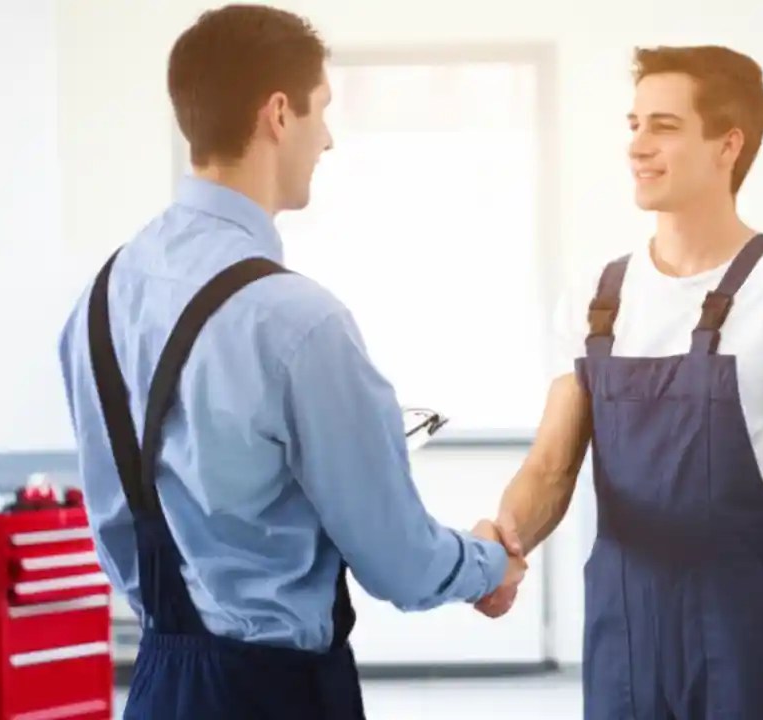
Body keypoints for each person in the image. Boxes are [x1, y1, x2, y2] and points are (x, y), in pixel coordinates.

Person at [56, 6, 524, 718]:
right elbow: (399, 563)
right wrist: (489, 560)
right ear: (279, 113)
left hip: (156, 688)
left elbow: (119, 531)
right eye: (322, 111)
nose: (328, 138)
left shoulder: (98, 300)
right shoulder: (298, 324)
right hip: (276, 697)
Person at [483, 45, 763, 719]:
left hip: (755, 645)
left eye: (665, 126)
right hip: (624, 646)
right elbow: (551, 469)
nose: (638, 146)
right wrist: (497, 542)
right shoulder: (600, 295)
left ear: (727, 145)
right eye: (634, 125)